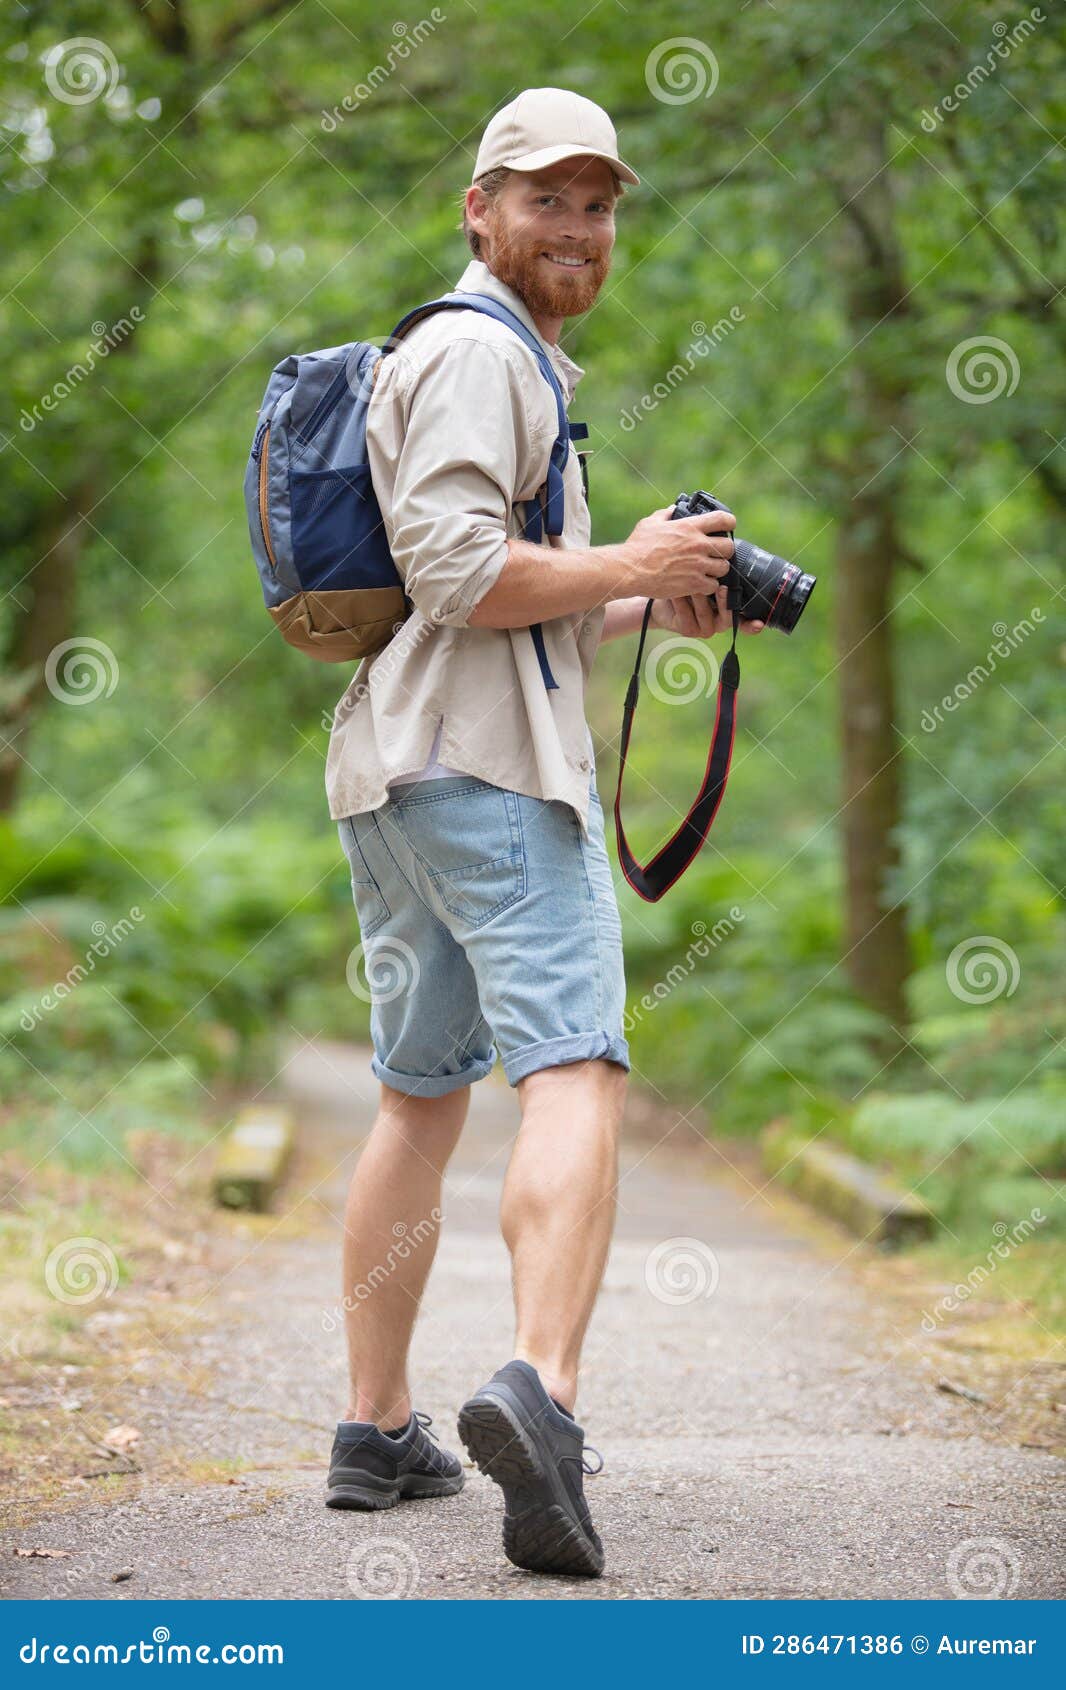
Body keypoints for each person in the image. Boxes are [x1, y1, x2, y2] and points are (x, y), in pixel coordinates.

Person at [323, 87, 761, 1577]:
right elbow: (453, 567)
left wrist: (641, 590)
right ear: (478, 207)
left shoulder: (495, 359)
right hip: (494, 783)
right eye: (546, 199)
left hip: (408, 776)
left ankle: (378, 1429)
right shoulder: (472, 350)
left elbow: (500, 595)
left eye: (599, 204)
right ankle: (545, 1398)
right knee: (572, 1072)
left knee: (413, 1096)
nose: (578, 228)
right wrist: (615, 555)